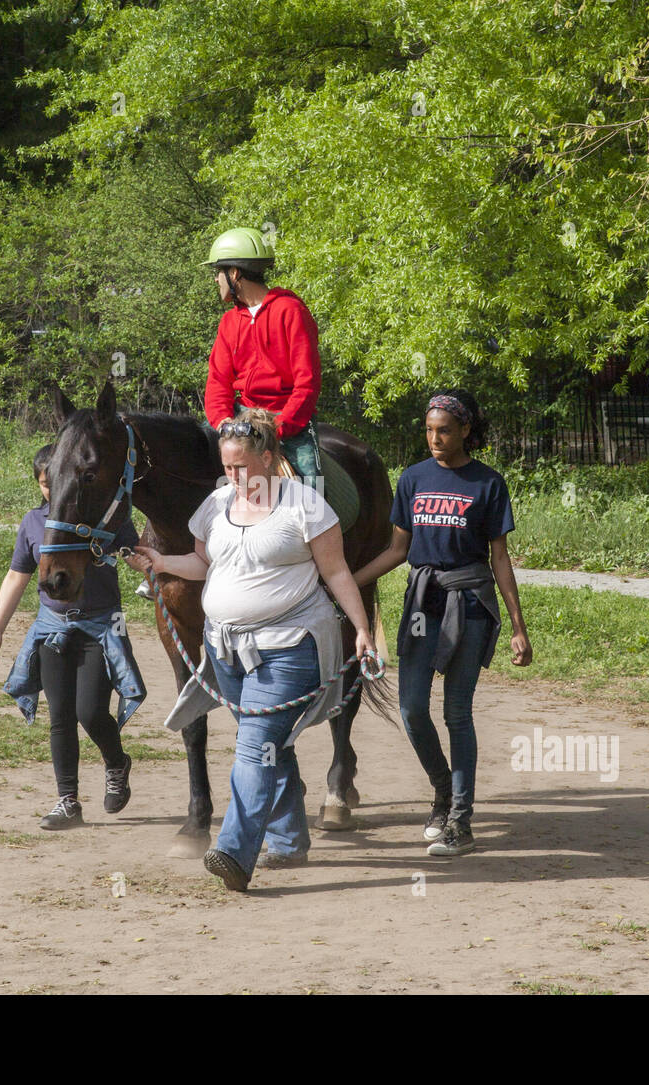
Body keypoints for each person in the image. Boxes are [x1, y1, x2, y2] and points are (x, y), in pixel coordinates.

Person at [124, 409, 376, 890]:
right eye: (226, 467)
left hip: (289, 646)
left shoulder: (307, 506)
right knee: (270, 747)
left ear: (269, 457)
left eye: (241, 467)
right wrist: (158, 561)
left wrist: (362, 630)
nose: (233, 476)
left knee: (253, 746)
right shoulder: (215, 505)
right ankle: (288, 840)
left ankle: (235, 852)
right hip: (226, 652)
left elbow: (338, 573)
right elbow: (202, 562)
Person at [353, 390, 532, 858]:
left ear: (466, 430)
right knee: (412, 708)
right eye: (429, 430)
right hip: (421, 603)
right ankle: (441, 790)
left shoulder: (488, 483)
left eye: (445, 430)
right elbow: (396, 550)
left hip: (471, 602)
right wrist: (346, 584)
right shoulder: (412, 478)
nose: (435, 438)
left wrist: (517, 626)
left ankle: (461, 821)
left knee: (457, 713)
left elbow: (499, 557)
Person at [0, 443, 145, 830]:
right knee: (60, 717)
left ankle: (116, 762)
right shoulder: (33, 523)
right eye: (44, 484)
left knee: (89, 712)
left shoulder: (105, 516)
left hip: (99, 628)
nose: (52, 492)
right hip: (52, 629)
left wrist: (150, 565)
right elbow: (16, 577)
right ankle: (67, 801)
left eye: (57, 482)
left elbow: (136, 553)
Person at [202, 226, 324, 491]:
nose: (216, 280)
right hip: (238, 419)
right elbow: (218, 382)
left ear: (234, 274)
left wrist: (277, 428)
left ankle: (316, 531)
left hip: (286, 422)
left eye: (218, 273)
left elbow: (308, 383)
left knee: (312, 493)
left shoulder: (291, 311)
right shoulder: (229, 322)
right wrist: (223, 422)